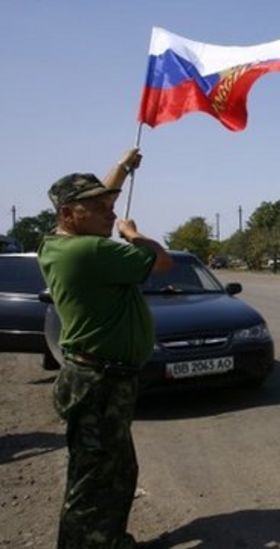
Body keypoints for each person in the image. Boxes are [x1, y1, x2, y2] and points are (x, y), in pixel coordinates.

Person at [37, 148, 173, 549]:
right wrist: (134, 235)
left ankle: (108, 540)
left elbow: (101, 200)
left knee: (115, 471)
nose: (111, 214)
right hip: (100, 382)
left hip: (99, 378)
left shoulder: (56, 243)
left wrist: (123, 168)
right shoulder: (91, 251)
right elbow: (161, 261)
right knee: (94, 478)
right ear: (69, 214)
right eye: (98, 209)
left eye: (109, 206)